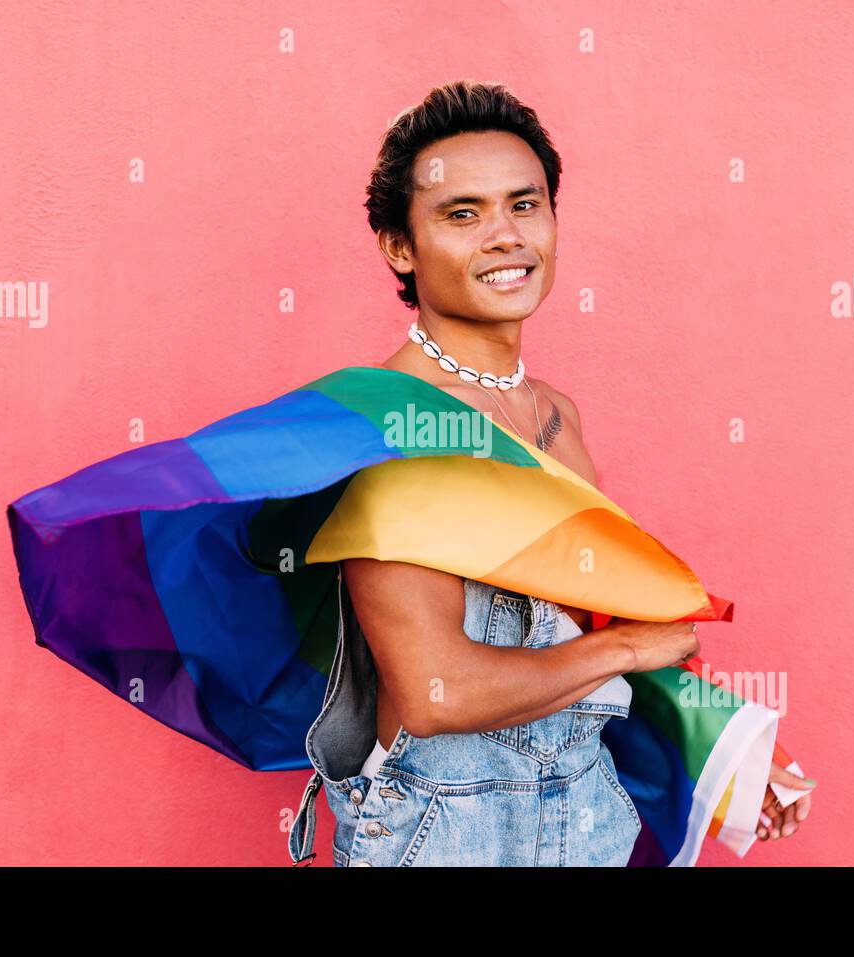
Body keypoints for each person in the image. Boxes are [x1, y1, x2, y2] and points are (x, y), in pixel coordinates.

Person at [285, 80, 813, 867]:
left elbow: (589, 628)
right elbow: (439, 693)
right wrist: (631, 650)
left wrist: (723, 757)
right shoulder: (393, 424)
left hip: (588, 808)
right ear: (401, 245)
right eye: (462, 214)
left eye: (523, 205)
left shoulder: (558, 418)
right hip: (447, 827)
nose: (504, 236)